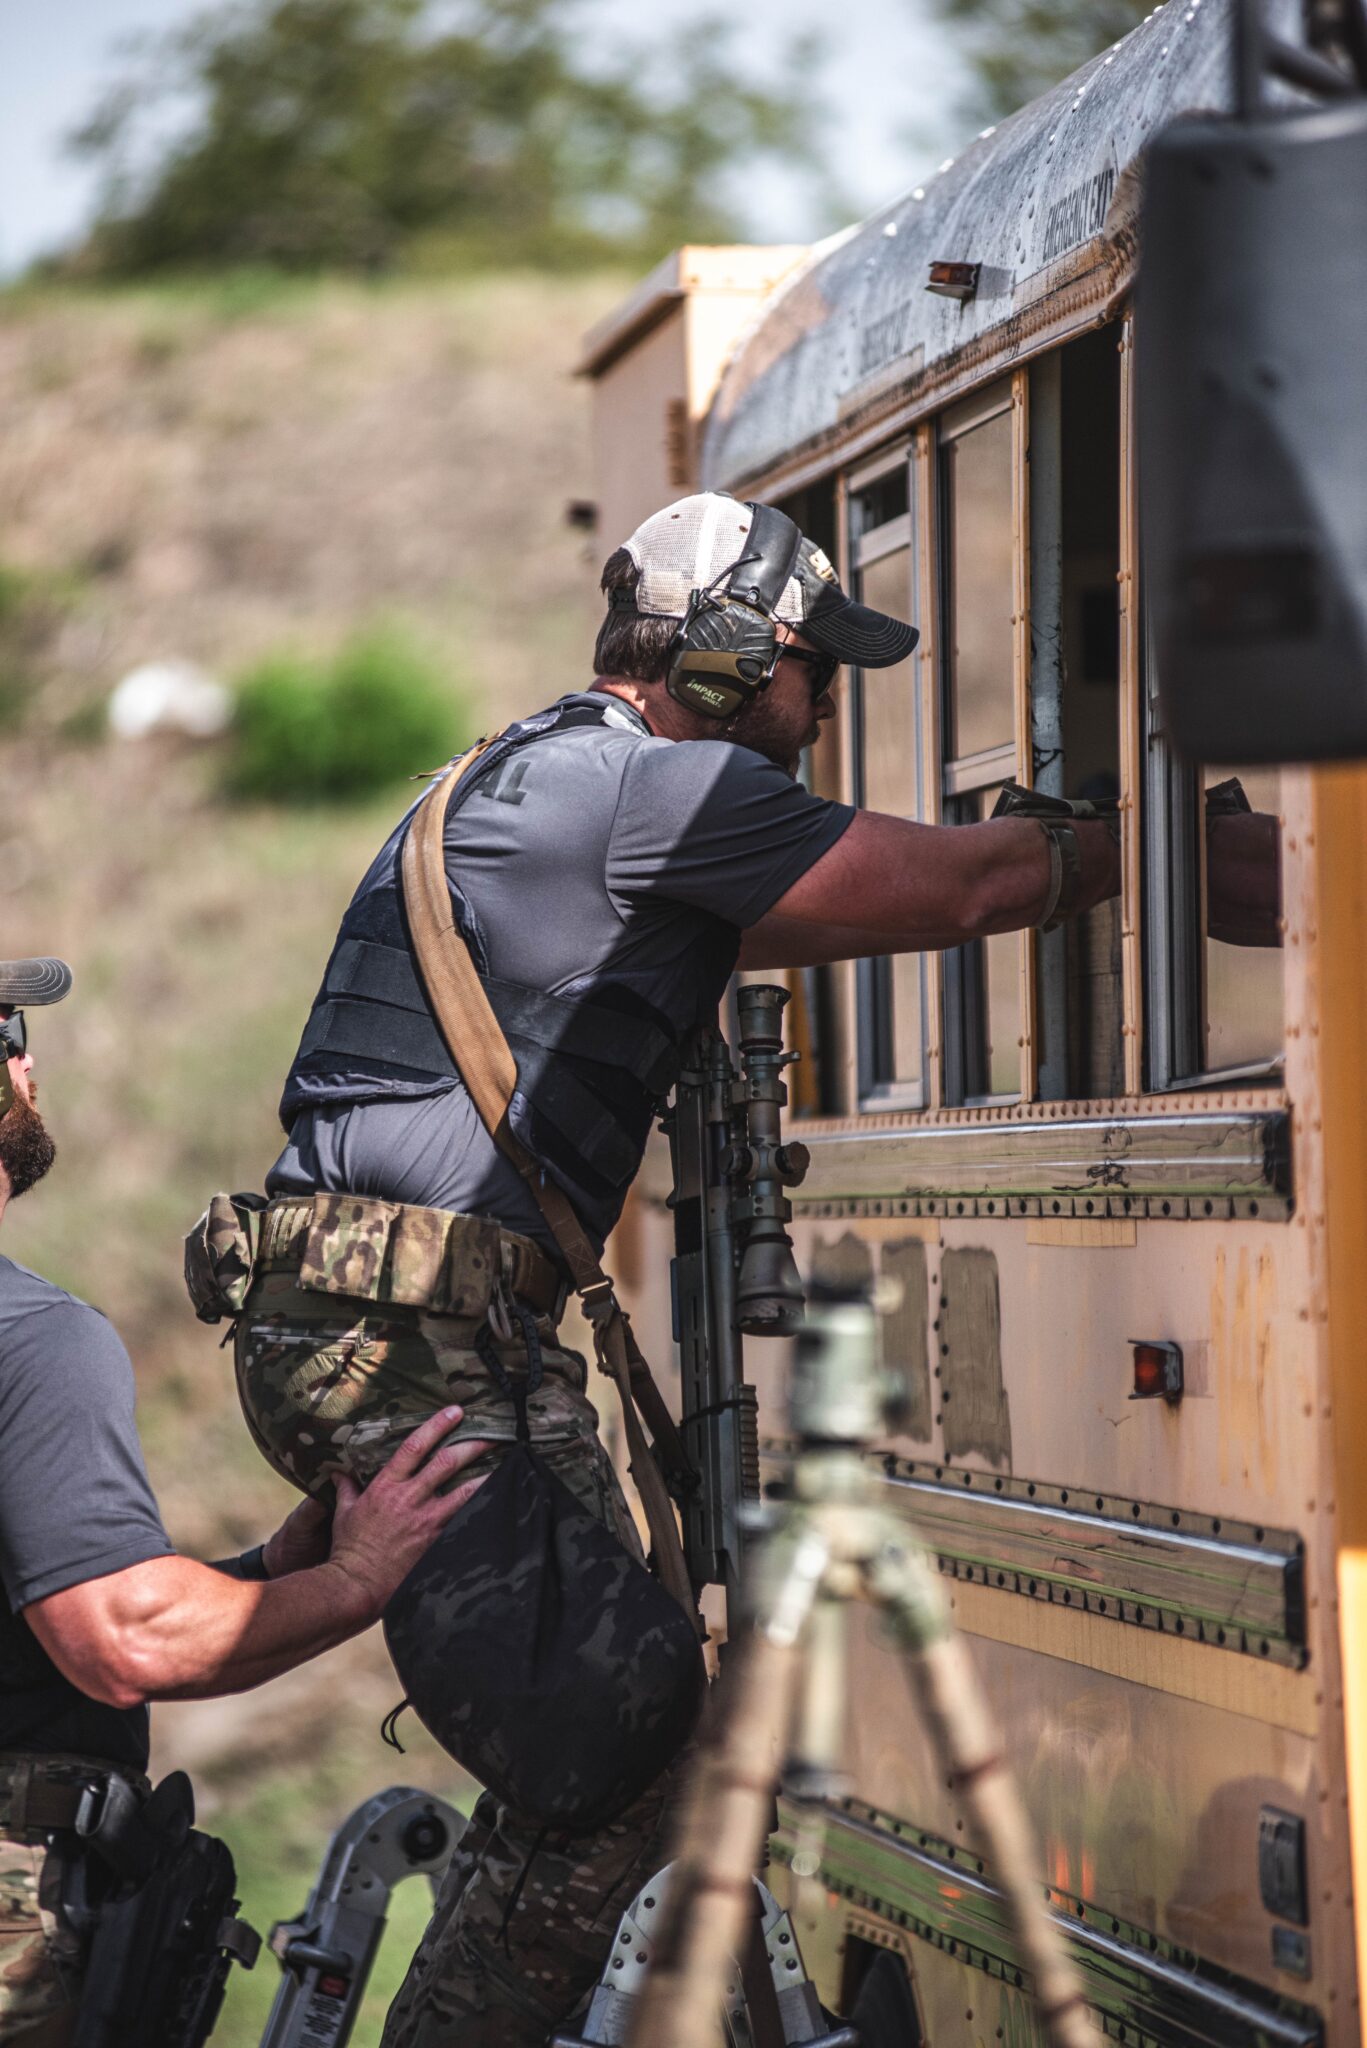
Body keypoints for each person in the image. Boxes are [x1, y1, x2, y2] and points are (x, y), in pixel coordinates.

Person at [232, 492, 1121, 2048]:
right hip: (407, 1337)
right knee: (628, 1757)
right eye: (805, 662)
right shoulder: (648, 795)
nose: (825, 701)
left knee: (618, 1747)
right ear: (718, 664)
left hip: (392, 1323)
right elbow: (962, 891)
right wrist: (1142, 844)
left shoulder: (550, 782)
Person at [0, 957, 494, 2046]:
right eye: (7, 1034)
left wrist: (272, 1573)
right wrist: (356, 1580)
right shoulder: (33, 1340)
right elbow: (116, 1637)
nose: (27, 1060)